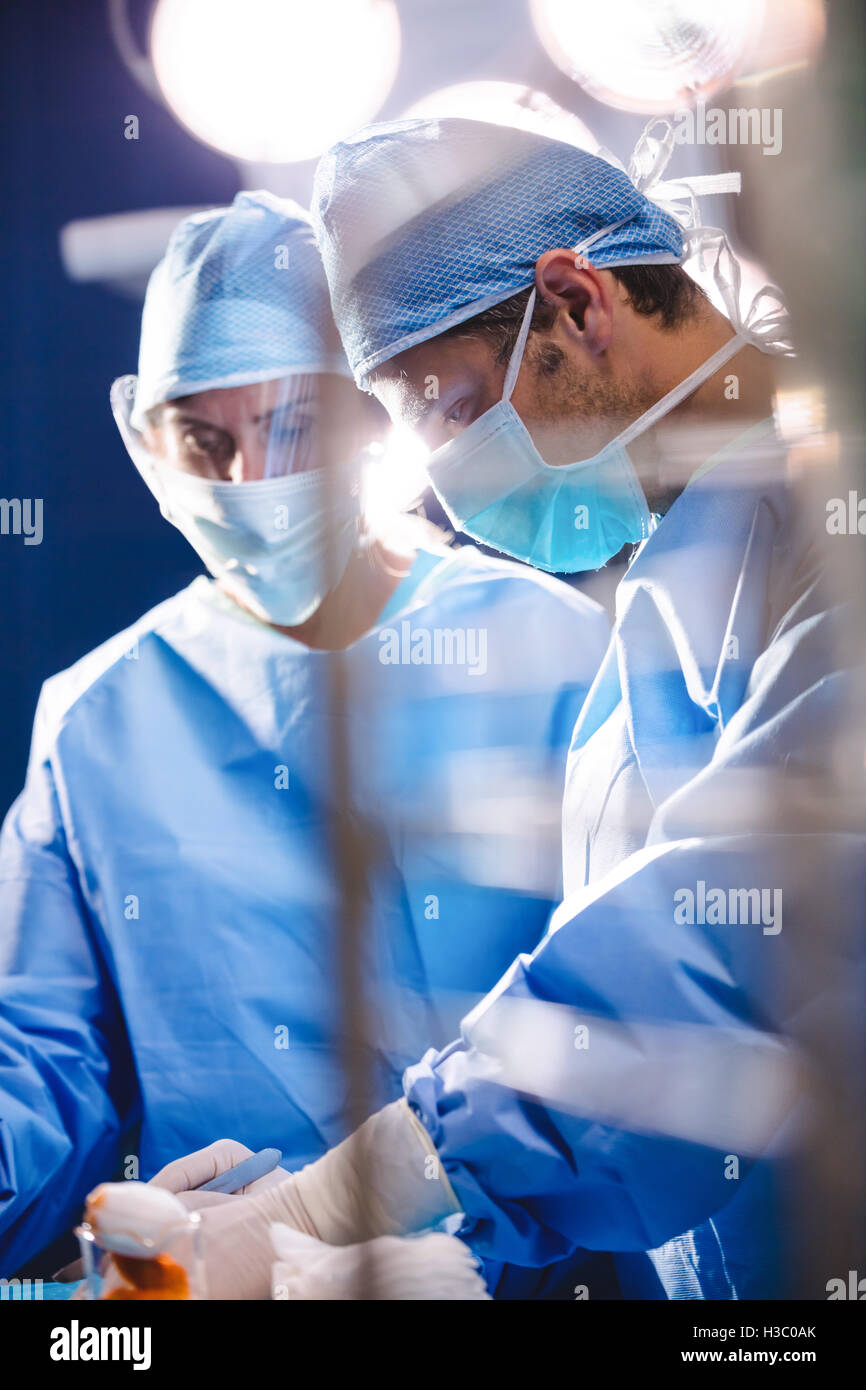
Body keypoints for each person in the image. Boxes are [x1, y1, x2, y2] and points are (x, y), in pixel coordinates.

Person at [182, 121, 863, 1300]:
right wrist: (411, 1246)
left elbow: (732, 949)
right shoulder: (650, 621)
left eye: (442, 409)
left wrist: (355, 1190)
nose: (443, 494)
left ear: (573, 304)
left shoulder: (833, 514)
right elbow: (644, 1104)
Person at [0, 191, 611, 1285]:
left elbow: (634, 1014)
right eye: (203, 437)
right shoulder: (97, 717)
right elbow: (41, 1064)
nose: (248, 482)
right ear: (144, 438)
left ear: (372, 417)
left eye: (292, 422)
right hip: (231, 1279)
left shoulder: (548, 648)